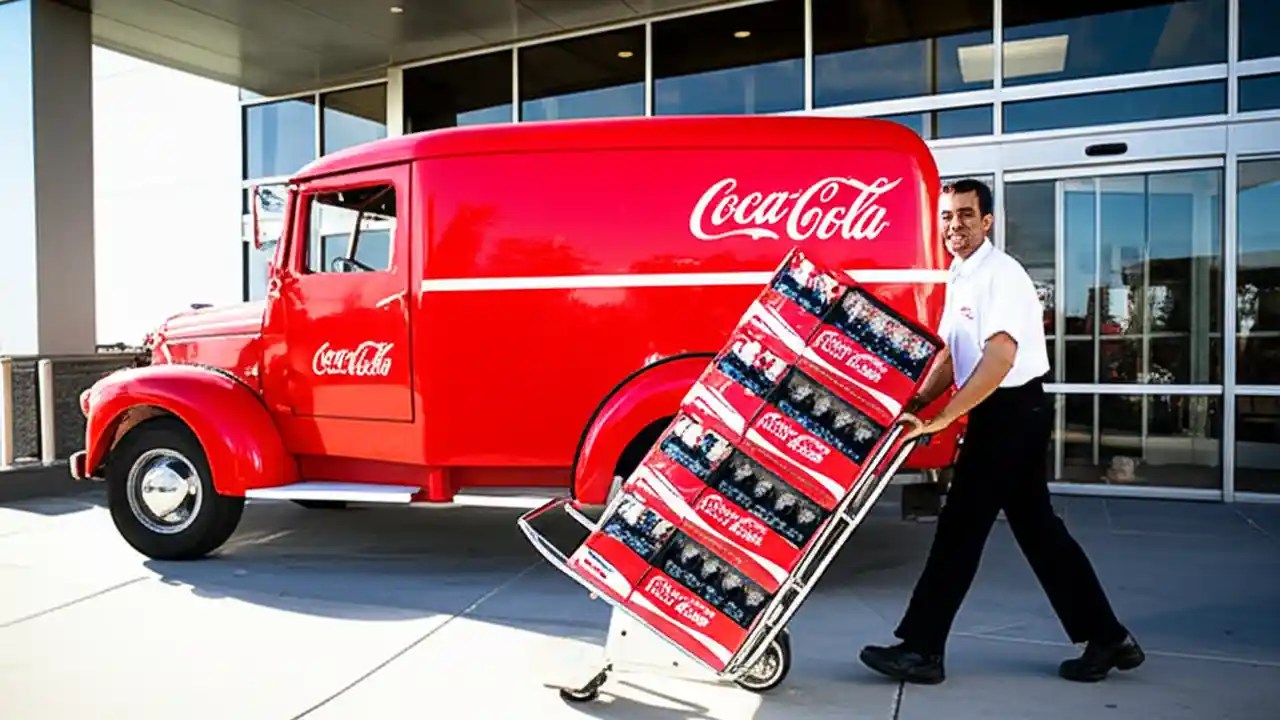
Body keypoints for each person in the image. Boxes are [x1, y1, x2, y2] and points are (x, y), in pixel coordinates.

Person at [858, 178, 1144, 684]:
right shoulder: (961, 275)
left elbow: (999, 357)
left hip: (1012, 410)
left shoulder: (1001, 274)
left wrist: (945, 418)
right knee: (1039, 531)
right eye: (947, 216)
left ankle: (923, 649)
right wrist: (921, 399)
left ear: (987, 222)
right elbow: (954, 353)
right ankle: (1109, 638)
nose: (954, 226)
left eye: (966, 215)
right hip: (1004, 412)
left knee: (960, 528)